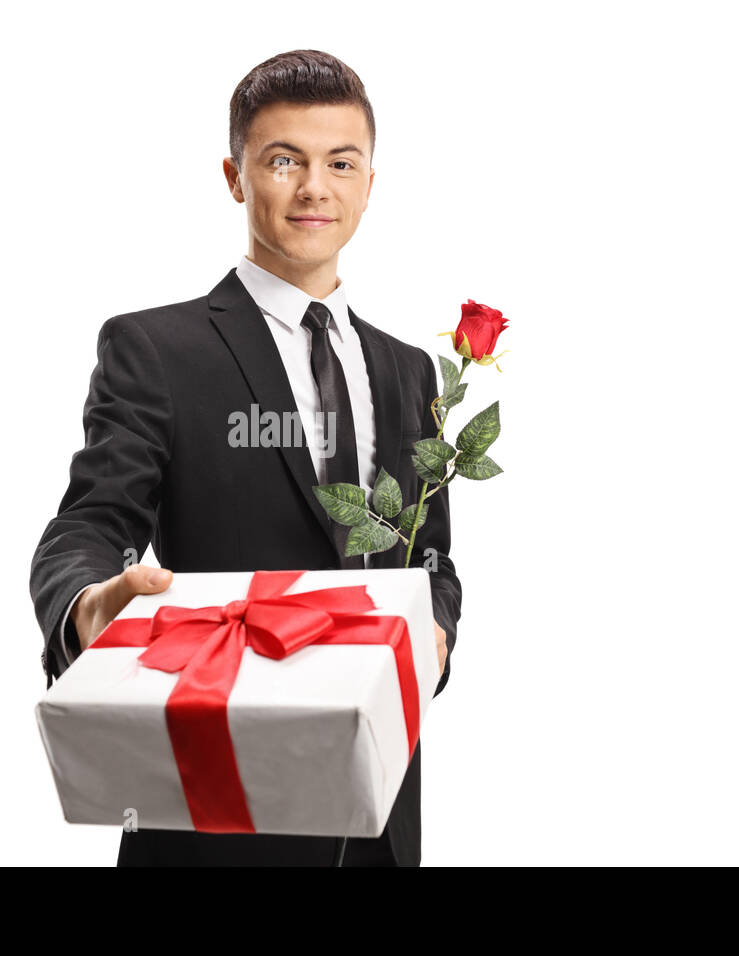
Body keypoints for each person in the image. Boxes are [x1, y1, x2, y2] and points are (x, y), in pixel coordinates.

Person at [30, 49, 462, 866]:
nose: (314, 188)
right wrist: (89, 605)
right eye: (283, 160)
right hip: (215, 812)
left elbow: (433, 558)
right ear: (236, 176)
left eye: (340, 162)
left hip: (383, 819)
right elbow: (89, 523)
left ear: (370, 181)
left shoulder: (412, 373)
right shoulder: (155, 349)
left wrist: (435, 630)